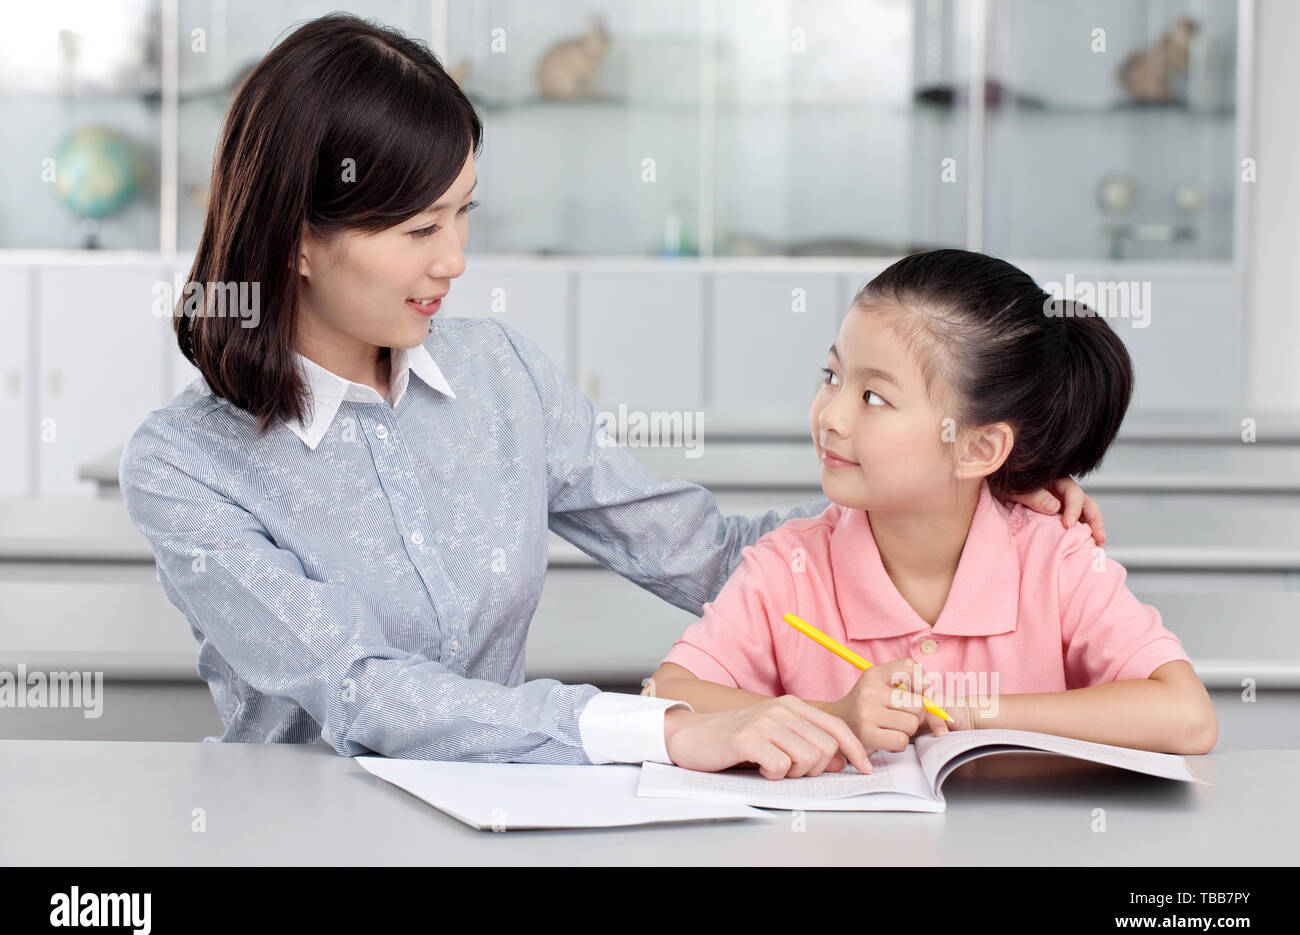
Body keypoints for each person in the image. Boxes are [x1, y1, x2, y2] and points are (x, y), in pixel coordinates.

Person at [119, 14, 1107, 776]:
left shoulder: (497, 373)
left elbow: (708, 555)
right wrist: (674, 729)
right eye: (419, 231)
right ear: (299, 233)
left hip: (501, 813)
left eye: (464, 215)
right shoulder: (184, 465)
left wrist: (955, 507)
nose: (455, 261)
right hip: (298, 834)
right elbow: (363, 692)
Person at [648, 249, 1218, 771]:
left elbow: (1187, 716)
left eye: (874, 397)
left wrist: (968, 709)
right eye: (832, 376)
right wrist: (837, 714)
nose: (831, 416)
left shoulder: (1056, 557)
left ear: (977, 449)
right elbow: (670, 693)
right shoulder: (787, 564)